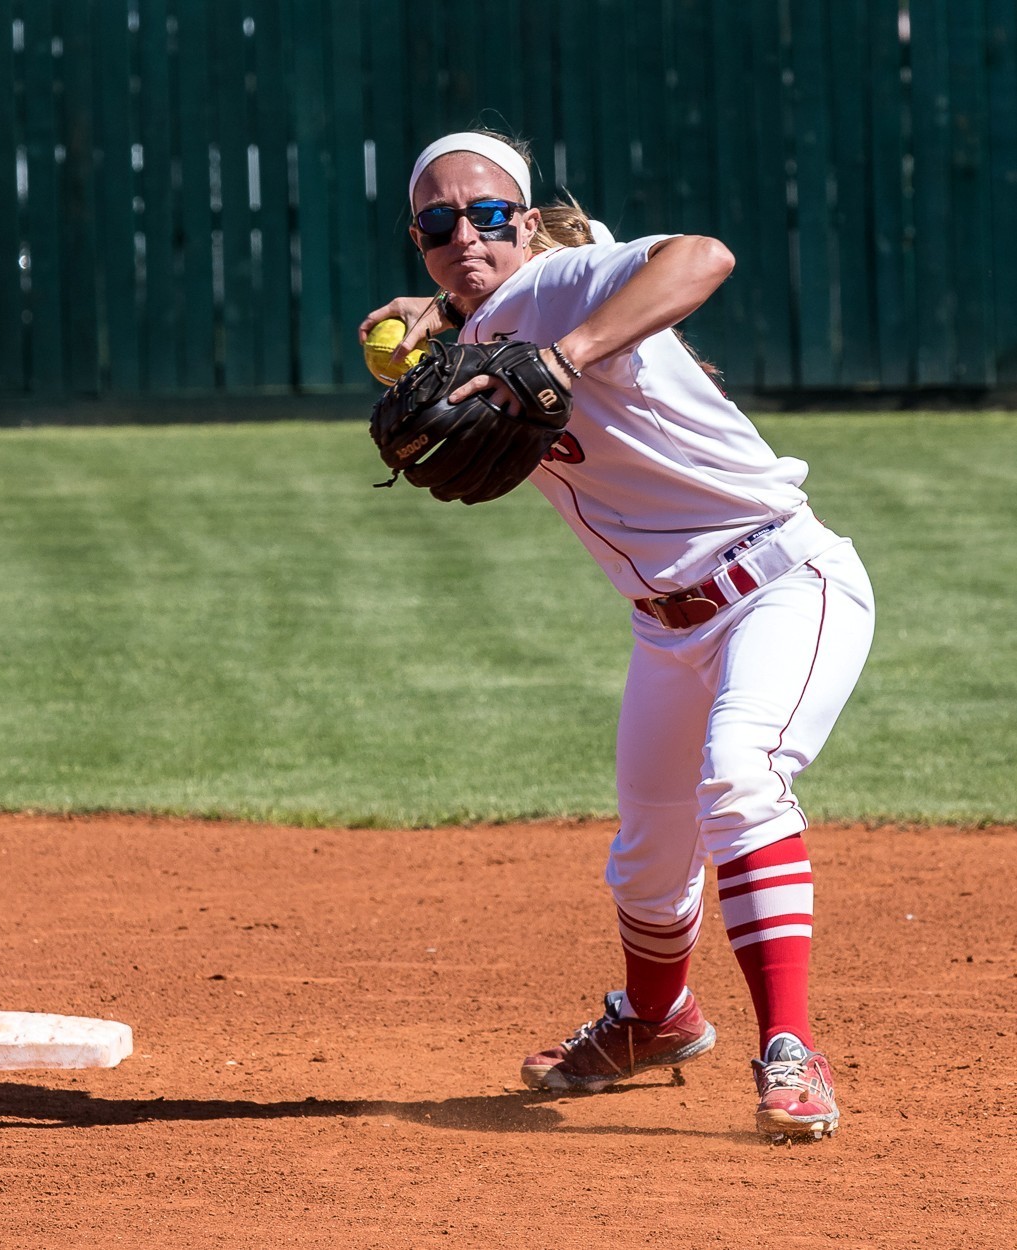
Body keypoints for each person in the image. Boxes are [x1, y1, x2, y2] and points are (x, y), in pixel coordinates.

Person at [359, 130, 875, 1143]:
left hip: (779, 579)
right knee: (646, 860)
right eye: (435, 223)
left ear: (522, 216)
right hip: (666, 630)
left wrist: (563, 355)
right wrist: (427, 313)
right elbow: (411, 317)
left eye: (487, 213)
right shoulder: (481, 310)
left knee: (739, 772)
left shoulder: (569, 285)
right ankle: (654, 1019)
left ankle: (790, 1049)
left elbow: (704, 256)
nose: (464, 234)